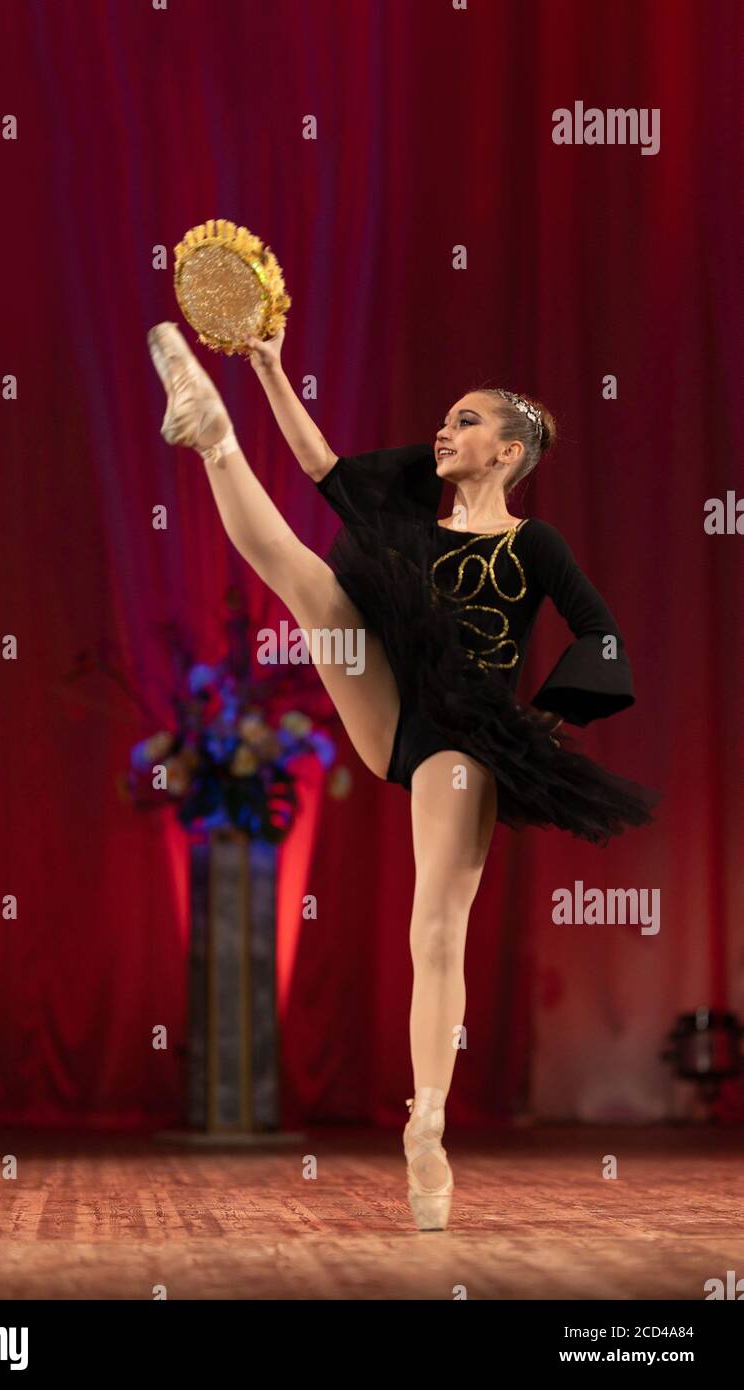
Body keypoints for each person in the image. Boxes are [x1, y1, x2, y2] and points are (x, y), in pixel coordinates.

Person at [147, 320, 659, 1231]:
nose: (442, 431)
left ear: (507, 450)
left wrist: (541, 723)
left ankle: (427, 1126)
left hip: (464, 744)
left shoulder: (533, 544)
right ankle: (212, 436)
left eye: (463, 422)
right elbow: (322, 469)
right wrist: (266, 366)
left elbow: (600, 633)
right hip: (391, 702)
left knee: (434, 928)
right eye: (444, 419)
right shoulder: (417, 513)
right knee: (308, 587)